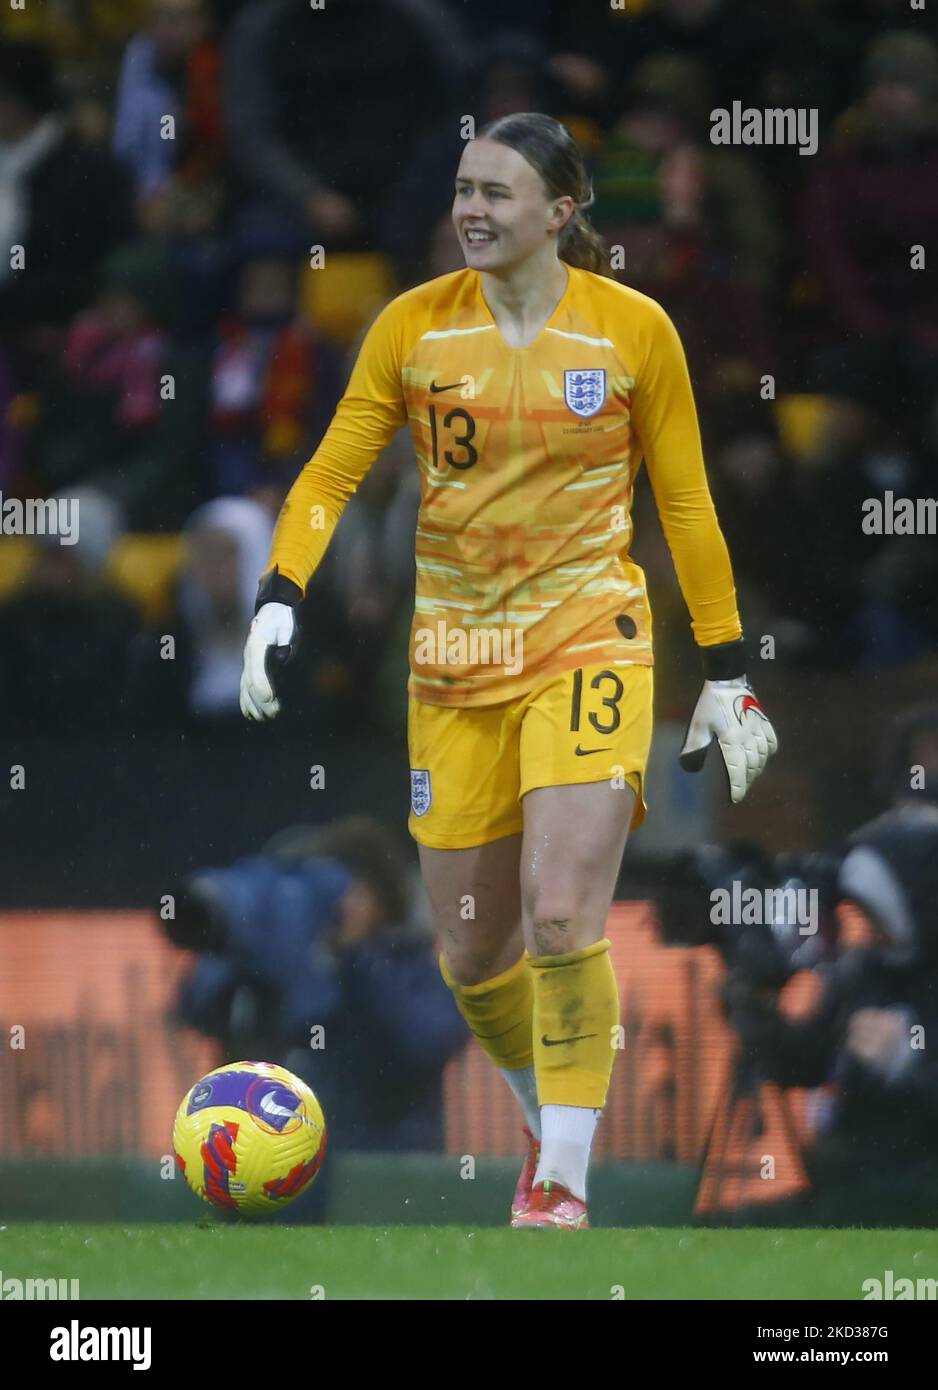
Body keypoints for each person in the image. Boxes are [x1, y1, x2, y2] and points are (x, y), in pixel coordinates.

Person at [239, 112, 778, 1230]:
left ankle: (559, 1183)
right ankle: (545, 1115)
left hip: (588, 640)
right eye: (461, 188)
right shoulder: (411, 329)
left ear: (562, 211)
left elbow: (683, 507)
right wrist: (279, 593)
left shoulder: (632, 334)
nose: (469, 210)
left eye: (495, 191)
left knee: (558, 915)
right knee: (473, 952)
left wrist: (729, 669)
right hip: (451, 661)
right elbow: (332, 473)